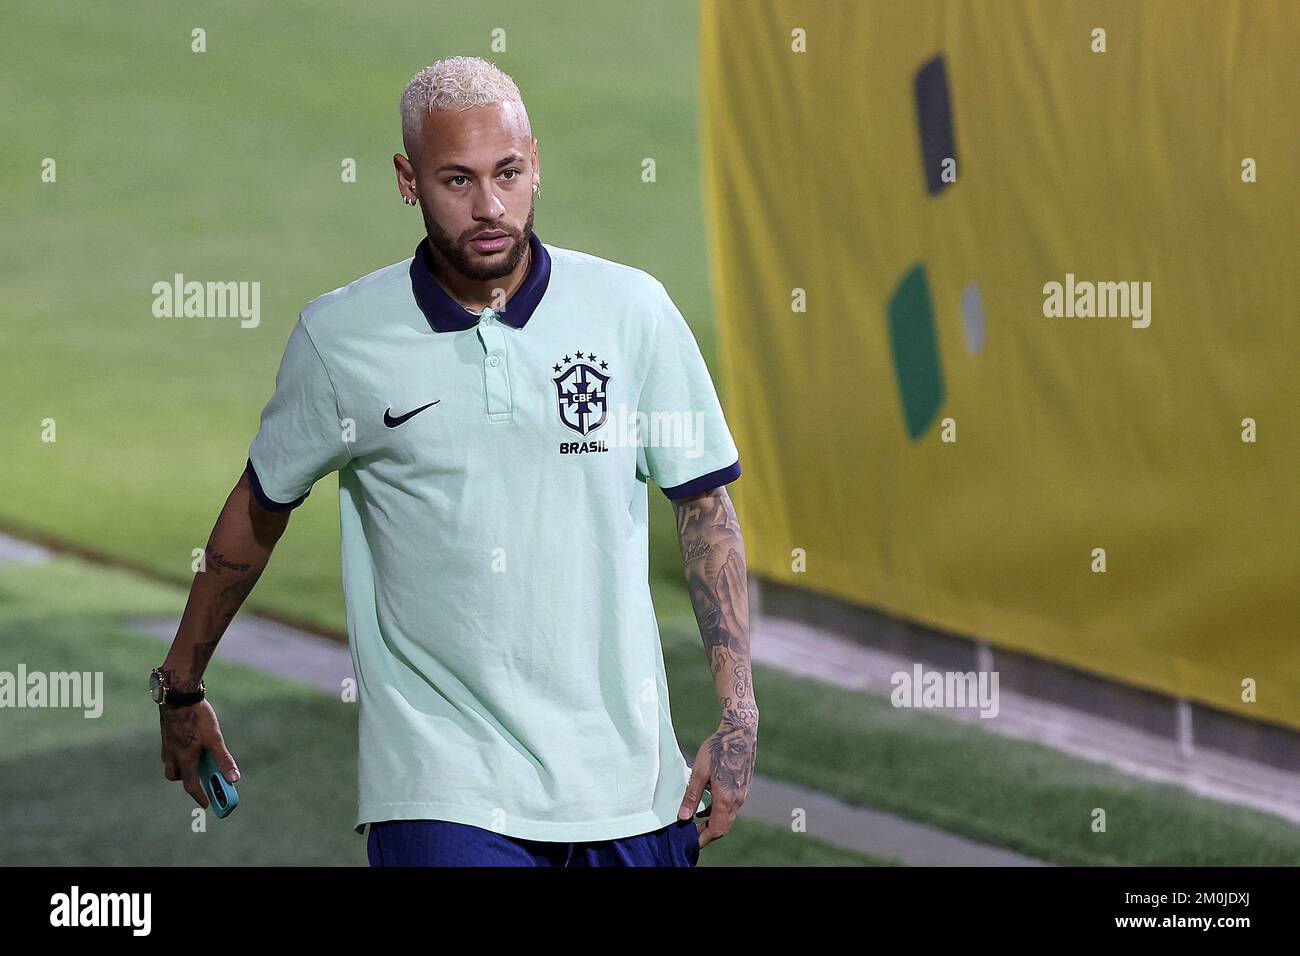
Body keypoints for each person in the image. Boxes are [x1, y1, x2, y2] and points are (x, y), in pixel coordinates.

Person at [152, 55, 759, 867]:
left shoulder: (632, 312)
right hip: (441, 792)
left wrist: (738, 713)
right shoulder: (341, 341)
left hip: (631, 791)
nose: (489, 207)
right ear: (408, 179)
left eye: (508, 173)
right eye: (456, 180)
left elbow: (704, 506)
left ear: (536, 162)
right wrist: (181, 686)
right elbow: (260, 509)